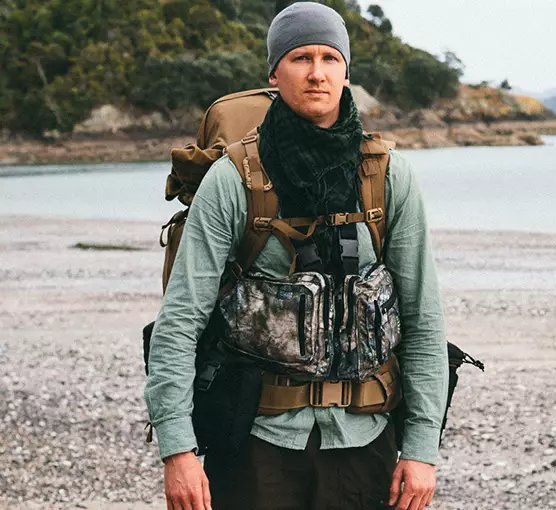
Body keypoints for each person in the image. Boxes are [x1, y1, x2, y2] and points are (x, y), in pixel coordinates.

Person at [143, 3, 449, 509]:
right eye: (300, 57)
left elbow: (422, 318)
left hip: (366, 442)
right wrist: (178, 449)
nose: (316, 73)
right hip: (256, 444)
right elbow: (180, 320)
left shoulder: (387, 176)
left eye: (330, 58)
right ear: (274, 72)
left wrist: (421, 448)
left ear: (346, 72)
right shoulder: (233, 178)